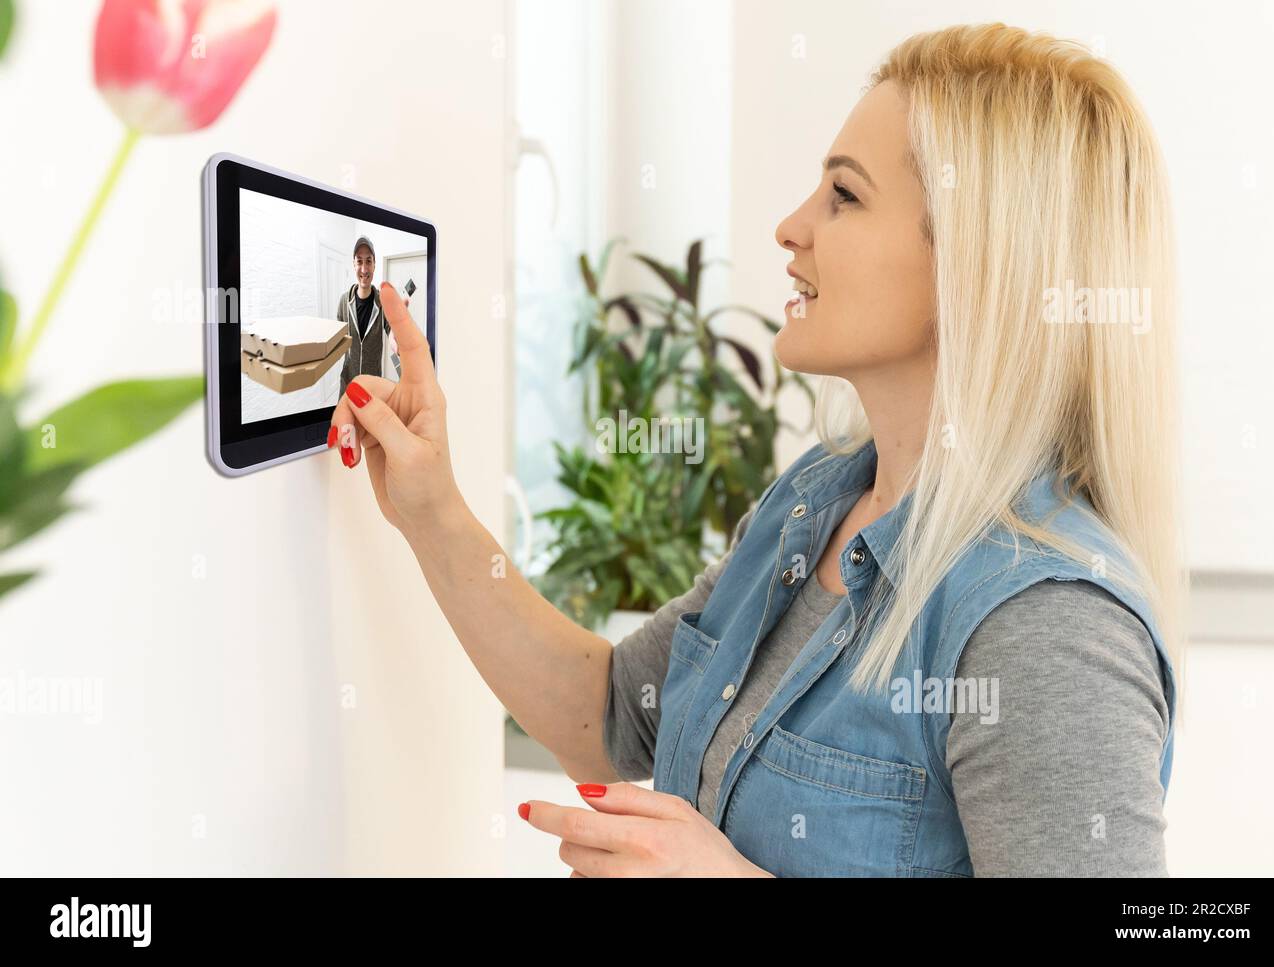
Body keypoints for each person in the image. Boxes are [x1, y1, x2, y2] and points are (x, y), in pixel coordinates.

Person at [327, 23, 1183, 877]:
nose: (791, 226)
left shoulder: (1044, 625)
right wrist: (434, 510)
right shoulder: (814, 501)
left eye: (844, 196)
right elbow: (613, 711)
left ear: (975, 258)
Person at [338, 235, 388, 398]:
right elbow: (337, 340)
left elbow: (393, 332)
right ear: (354, 264)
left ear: (374, 265)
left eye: (368, 261)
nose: (364, 269)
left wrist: (399, 342)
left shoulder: (383, 303)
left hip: (373, 389)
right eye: (359, 261)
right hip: (348, 385)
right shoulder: (344, 301)